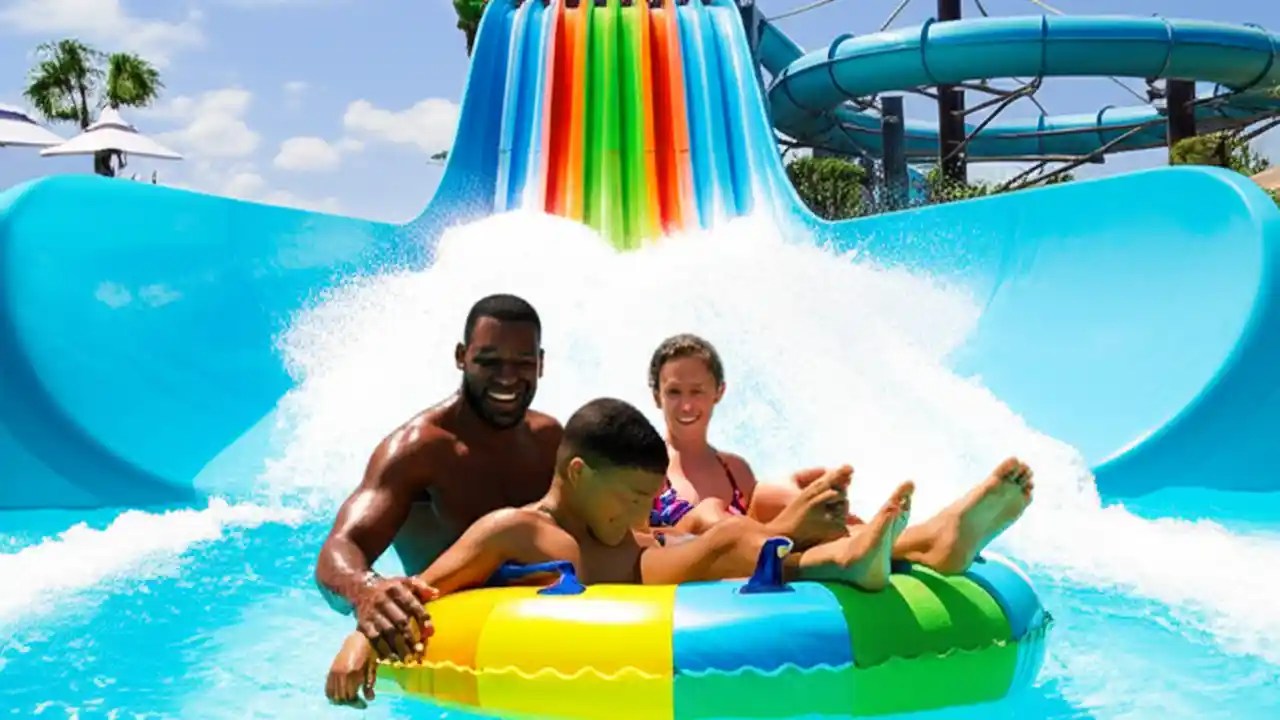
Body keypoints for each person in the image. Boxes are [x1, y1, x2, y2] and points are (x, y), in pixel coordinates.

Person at [326, 396, 917, 707]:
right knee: (731, 538)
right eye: (635, 497)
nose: (643, 512)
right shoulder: (516, 531)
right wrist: (359, 638)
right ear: (578, 474)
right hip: (558, 672)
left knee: (731, 535)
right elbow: (423, 587)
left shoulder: (623, 532)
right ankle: (846, 550)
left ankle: (915, 545)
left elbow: (680, 540)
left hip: (642, 602)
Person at [646, 333, 1035, 575]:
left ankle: (926, 536)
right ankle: (926, 540)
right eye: (674, 392)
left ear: (719, 393)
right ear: (656, 396)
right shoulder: (645, 466)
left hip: (758, 552)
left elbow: (759, 532)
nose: (686, 404)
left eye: (697, 391)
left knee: (769, 496)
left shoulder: (734, 469)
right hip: (699, 561)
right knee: (713, 512)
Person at [314, 293, 564, 662]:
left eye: (523, 362)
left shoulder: (549, 440)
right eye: (488, 361)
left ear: (541, 364)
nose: (507, 377)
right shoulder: (417, 451)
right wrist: (368, 591)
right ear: (461, 357)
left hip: (542, 637)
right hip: (448, 645)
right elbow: (339, 549)